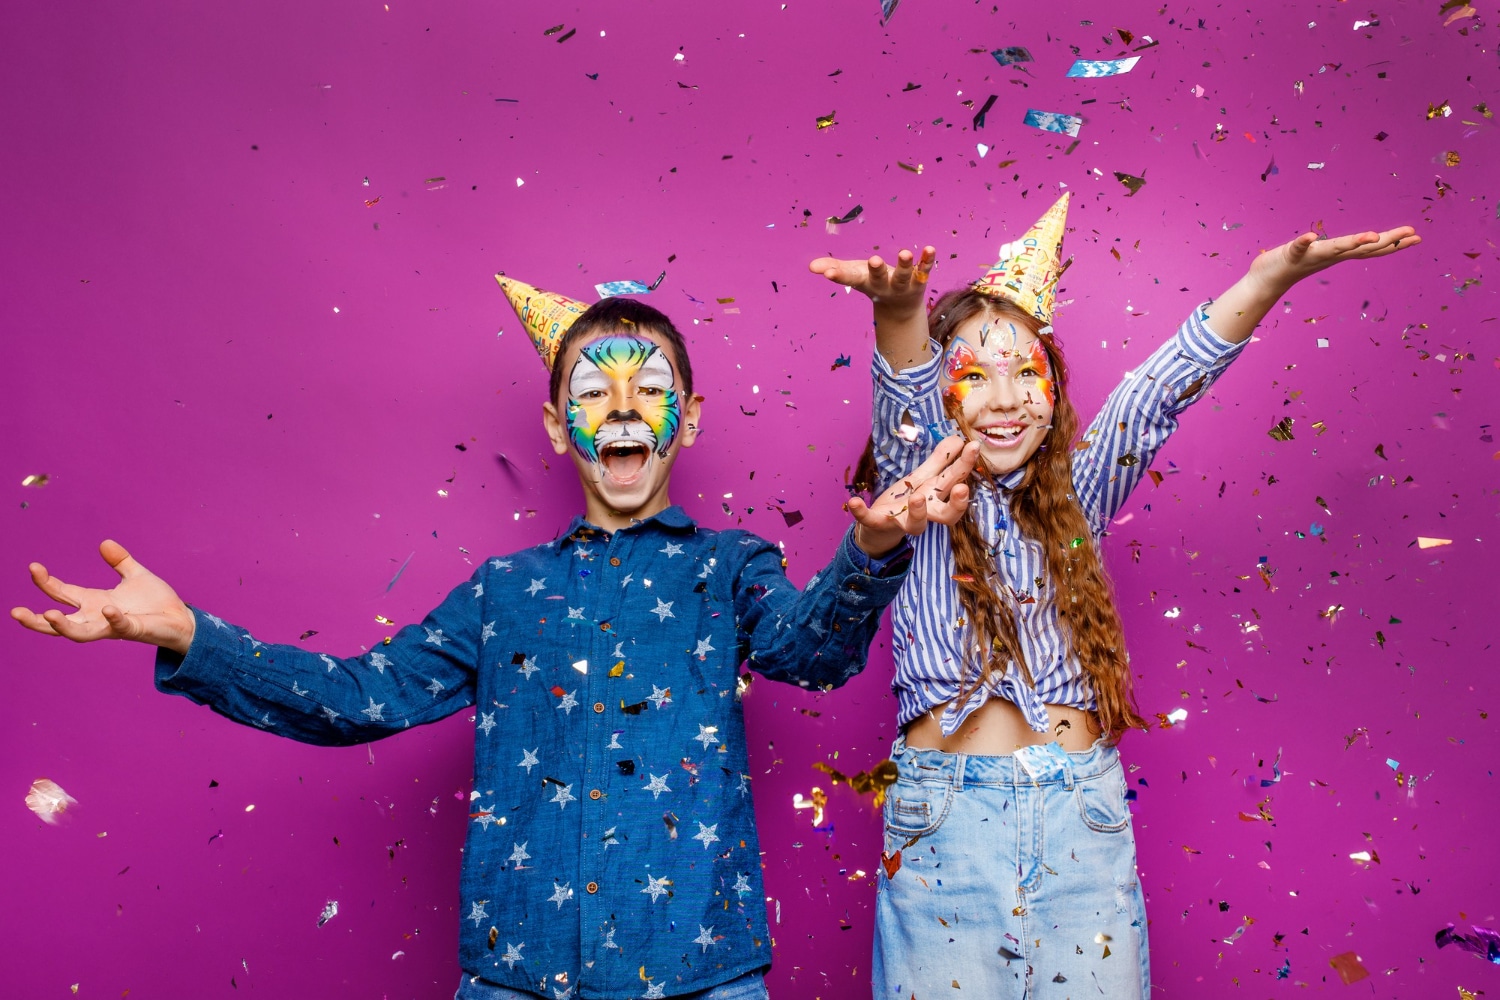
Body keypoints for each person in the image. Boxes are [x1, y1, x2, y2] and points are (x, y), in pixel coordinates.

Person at [12, 285, 981, 1000]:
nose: (625, 410)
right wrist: (191, 633)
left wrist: (870, 545)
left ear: (689, 419)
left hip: (701, 971)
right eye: (595, 398)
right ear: (560, 430)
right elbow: (357, 697)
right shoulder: (502, 593)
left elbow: (812, 653)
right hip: (517, 975)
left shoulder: (729, 568)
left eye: (649, 389)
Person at [808, 195, 1419, 998]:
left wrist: (1268, 279)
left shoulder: (1081, 492)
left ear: (1053, 389)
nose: (1003, 398)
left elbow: (1156, 393)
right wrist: (899, 312)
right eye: (973, 377)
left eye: (1026, 372)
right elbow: (905, 403)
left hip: (1079, 827)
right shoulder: (917, 493)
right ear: (943, 396)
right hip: (944, 830)